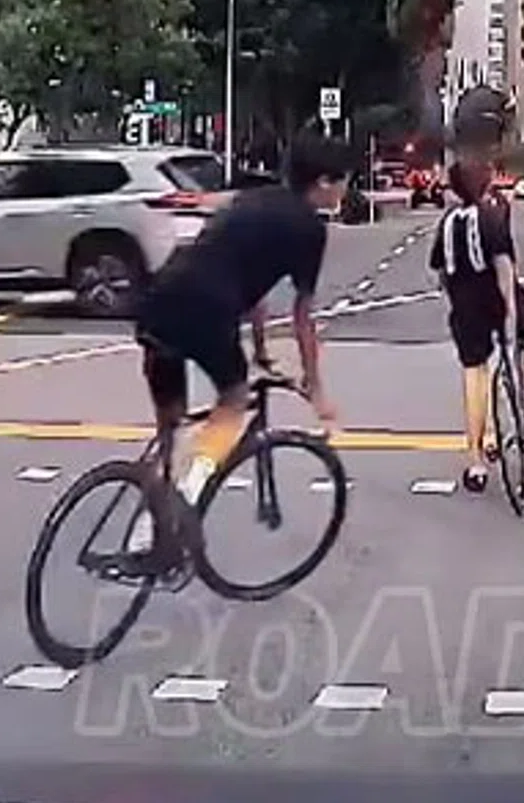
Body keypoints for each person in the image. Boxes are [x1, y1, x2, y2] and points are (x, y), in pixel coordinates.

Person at [125, 133, 354, 559]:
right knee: (234, 398)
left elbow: (256, 294)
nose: (345, 191)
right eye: (343, 182)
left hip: (160, 299)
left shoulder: (253, 198)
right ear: (324, 182)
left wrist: (262, 352)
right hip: (207, 309)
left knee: (169, 432)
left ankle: (147, 537)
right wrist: (316, 387)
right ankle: (190, 497)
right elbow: (304, 319)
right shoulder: (308, 230)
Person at [428, 159, 524, 493]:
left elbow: (442, 272)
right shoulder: (491, 218)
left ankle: (476, 459)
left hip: (464, 306)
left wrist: (456, 302)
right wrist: (508, 313)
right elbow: (506, 269)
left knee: (474, 373)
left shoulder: (446, 224)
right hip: (497, 301)